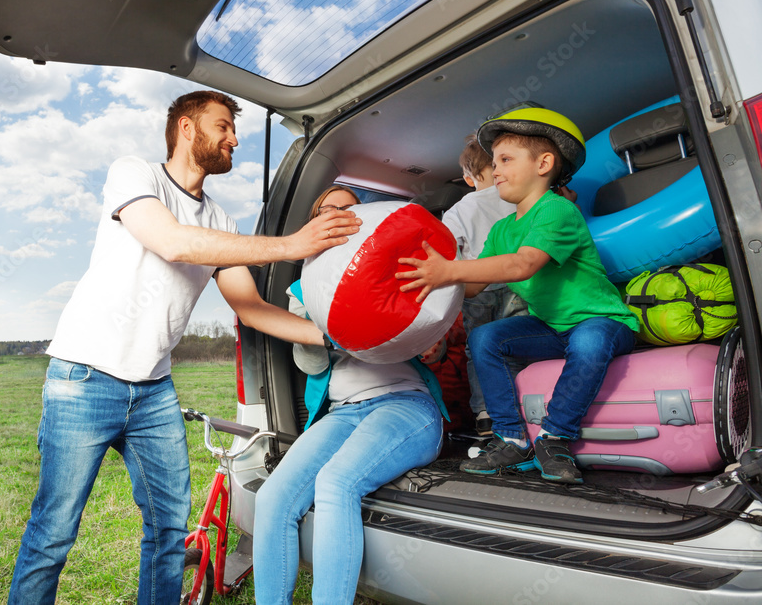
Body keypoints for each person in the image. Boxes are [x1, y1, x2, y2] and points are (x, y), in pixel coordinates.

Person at [6, 91, 362, 605]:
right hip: (84, 380)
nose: (234, 138)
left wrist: (331, 335)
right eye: (223, 127)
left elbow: (250, 308)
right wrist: (291, 245)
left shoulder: (221, 220)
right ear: (188, 129)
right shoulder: (136, 175)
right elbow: (173, 242)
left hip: (153, 392)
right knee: (53, 535)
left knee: (170, 534)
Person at [396, 107, 638, 484]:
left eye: (506, 160)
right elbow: (474, 286)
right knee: (486, 337)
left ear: (544, 164)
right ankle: (510, 437)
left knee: (590, 340)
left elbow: (523, 265)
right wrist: (427, 277)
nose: (495, 171)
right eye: (494, 163)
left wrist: (450, 270)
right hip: (552, 329)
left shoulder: (557, 210)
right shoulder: (502, 229)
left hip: (603, 322)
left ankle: (555, 437)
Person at [253, 185, 448, 605]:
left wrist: (431, 344)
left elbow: (436, 344)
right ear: (314, 222)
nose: (341, 215)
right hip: (343, 412)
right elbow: (310, 366)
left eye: (351, 210)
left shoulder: (393, 271)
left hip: (405, 404)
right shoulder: (303, 291)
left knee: (336, 482)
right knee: (273, 497)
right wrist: (321, 327)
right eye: (329, 210)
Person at [441, 134, 527, 437]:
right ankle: (524, 403)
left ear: (467, 178)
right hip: (519, 285)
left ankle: (484, 412)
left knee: (477, 351)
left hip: (477, 290)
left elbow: (448, 252)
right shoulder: (517, 198)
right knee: (514, 345)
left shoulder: (457, 212)